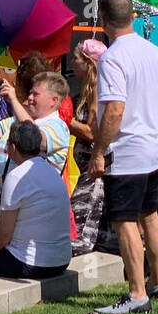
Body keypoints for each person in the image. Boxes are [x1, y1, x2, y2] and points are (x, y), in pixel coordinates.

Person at [88, 0, 158, 314]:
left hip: (128, 151)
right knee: (150, 214)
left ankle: (137, 294)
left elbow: (113, 109)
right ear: (133, 17)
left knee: (125, 219)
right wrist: (154, 120)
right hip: (153, 148)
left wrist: (98, 152)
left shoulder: (112, 58)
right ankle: (156, 283)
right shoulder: (151, 50)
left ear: (102, 19)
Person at [0, 121, 70, 288]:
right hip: (61, 261)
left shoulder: (16, 176)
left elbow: (4, 232)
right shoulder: (53, 172)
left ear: (13, 148)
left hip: (29, 264)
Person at [67, 39, 109, 255]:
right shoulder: (83, 92)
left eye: (76, 58)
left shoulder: (98, 90)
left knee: (82, 228)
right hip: (85, 170)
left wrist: (67, 120)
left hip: (94, 174)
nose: (72, 62)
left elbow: (92, 133)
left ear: (89, 63)